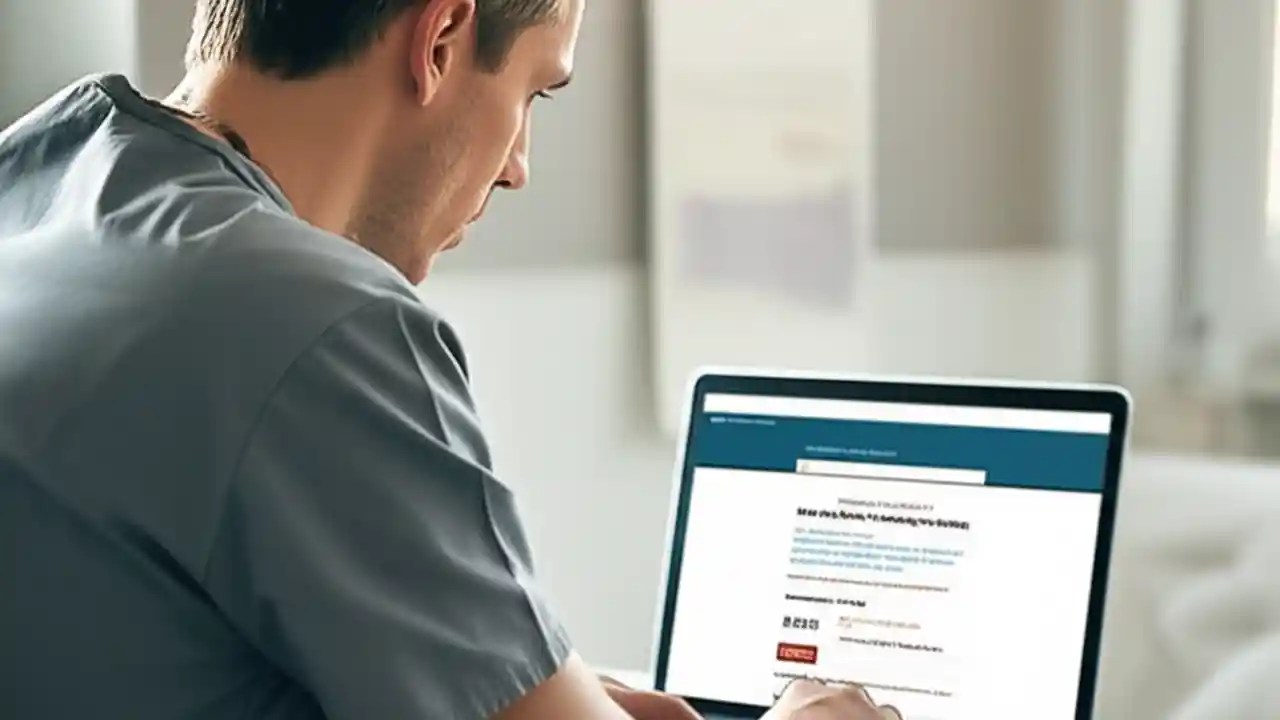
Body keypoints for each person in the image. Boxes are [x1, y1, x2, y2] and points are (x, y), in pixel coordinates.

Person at [0, 1, 902, 718]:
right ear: (439, 40)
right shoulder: (316, 322)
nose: (517, 166)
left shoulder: (31, 177)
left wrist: (522, 682)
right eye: (535, 92)